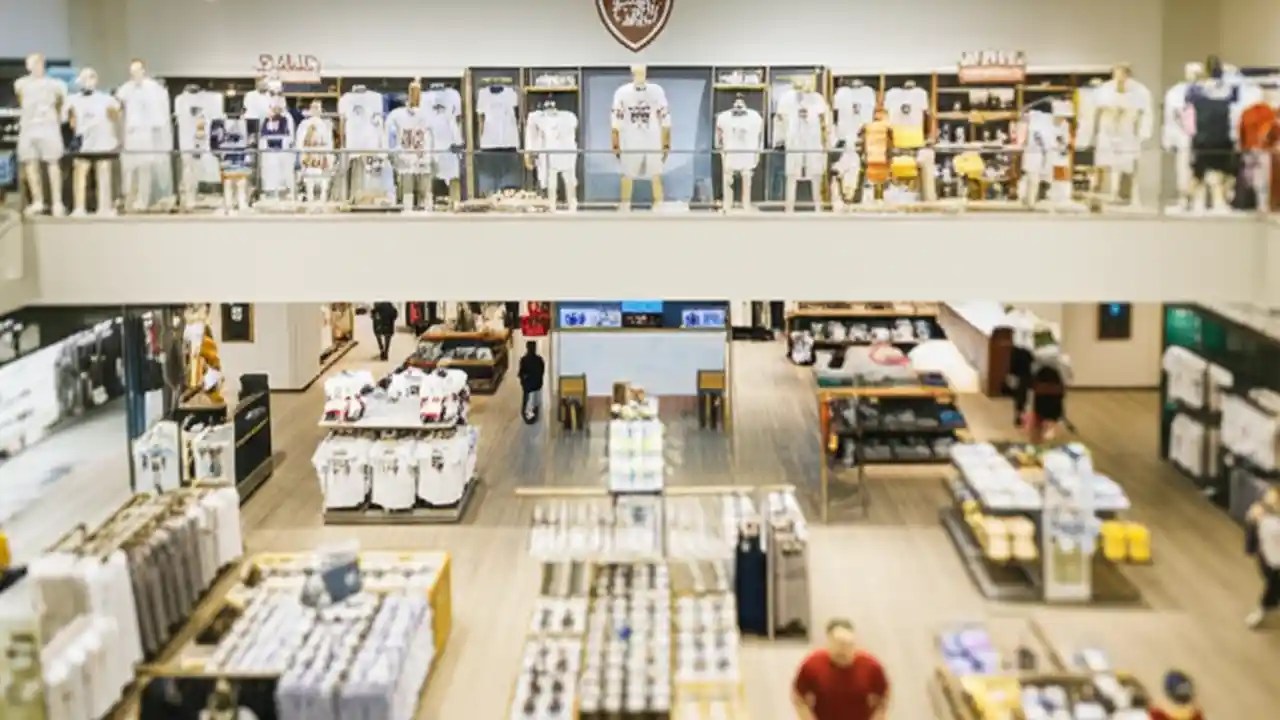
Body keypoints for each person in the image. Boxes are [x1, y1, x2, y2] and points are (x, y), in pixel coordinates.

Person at [792, 618, 888, 720]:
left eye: (847, 645)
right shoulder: (812, 665)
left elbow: (883, 699)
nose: (842, 650)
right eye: (838, 644)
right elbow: (799, 698)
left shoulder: (871, 666)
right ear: (829, 644)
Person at [1245, 486, 1280, 629]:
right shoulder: (1261, 514)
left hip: (1275, 561)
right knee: (1272, 582)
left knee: (1273, 585)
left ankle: (1262, 609)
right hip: (1267, 558)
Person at [517, 340, 545, 424]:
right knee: (535, 401)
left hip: (528, 386)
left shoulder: (524, 360)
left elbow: (521, 373)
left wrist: (523, 381)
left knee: (527, 400)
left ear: (527, 348)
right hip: (536, 385)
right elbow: (542, 371)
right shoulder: (539, 360)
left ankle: (528, 416)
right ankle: (533, 414)